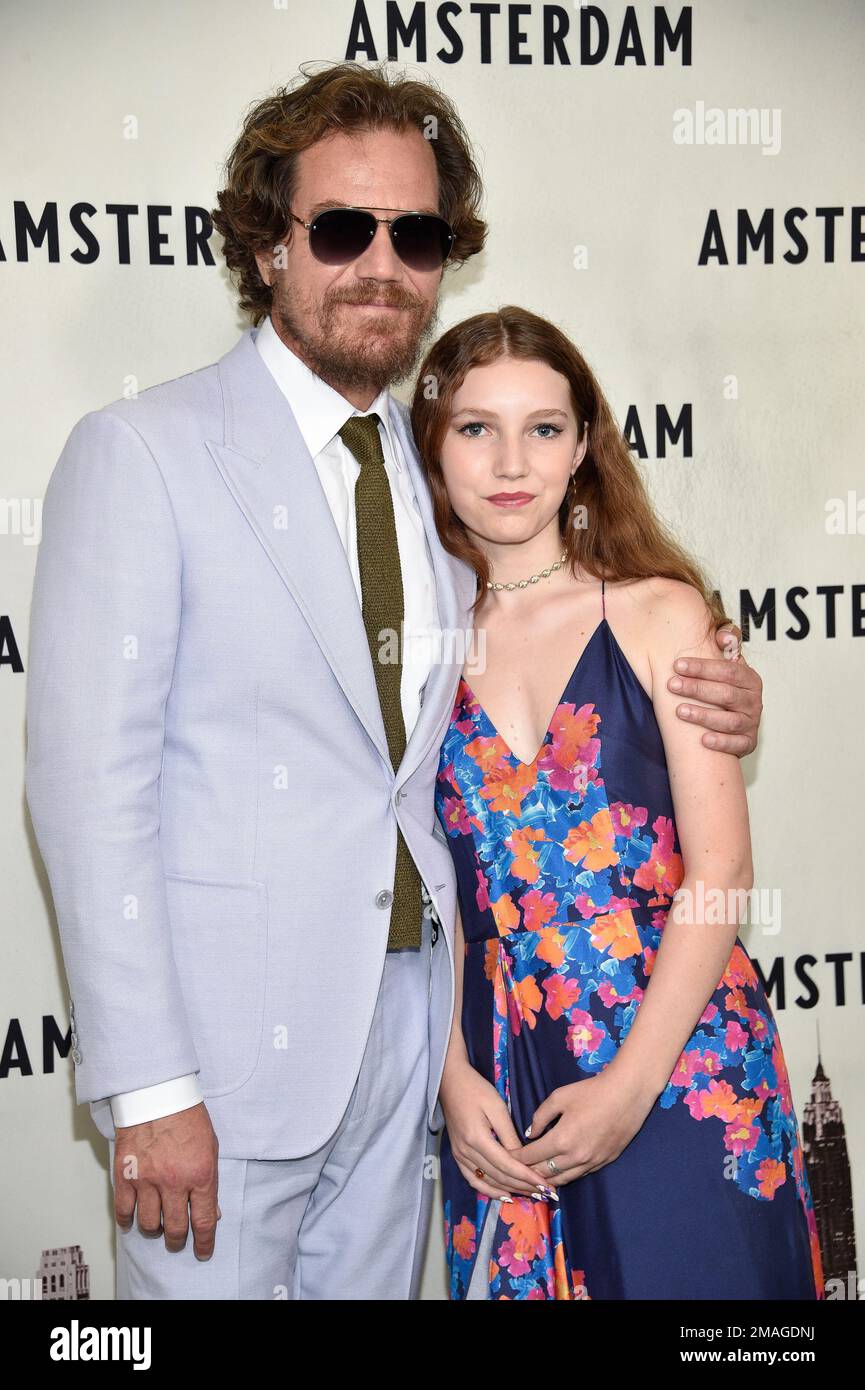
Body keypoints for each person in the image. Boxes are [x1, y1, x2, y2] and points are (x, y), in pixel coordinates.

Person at [24, 64, 763, 1302]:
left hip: (423, 1059)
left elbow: (575, 658)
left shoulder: (440, 493)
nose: (379, 262)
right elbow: (85, 790)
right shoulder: (142, 453)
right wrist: (149, 1088)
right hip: (220, 1074)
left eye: (414, 234)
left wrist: (718, 692)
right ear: (267, 244)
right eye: (339, 228)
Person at [413, 305, 823, 1301]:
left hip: (677, 1055)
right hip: (500, 1091)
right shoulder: (410, 637)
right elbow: (438, 892)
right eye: (475, 427)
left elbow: (721, 875)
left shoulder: (656, 610)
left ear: (584, 444)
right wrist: (449, 1080)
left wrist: (631, 1087)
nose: (511, 459)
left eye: (544, 427)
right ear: (430, 440)